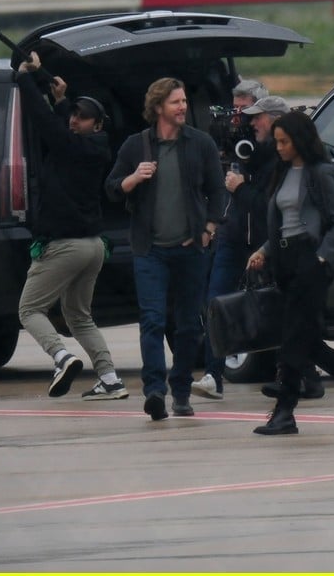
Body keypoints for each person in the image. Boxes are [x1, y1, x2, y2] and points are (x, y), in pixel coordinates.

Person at [245, 111, 334, 435]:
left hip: (311, 261)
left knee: (294, 335)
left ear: (300, 140)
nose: (278, 147)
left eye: (284, 141)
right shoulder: (281, 173)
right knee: (302, 338)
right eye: (276, 141)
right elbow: (283, 222)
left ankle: (284, 412)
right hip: (285, 259)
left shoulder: (320, 173)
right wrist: (264, 251)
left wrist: (321, 259)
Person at [107, 77, 226, 421]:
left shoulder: (200, 144)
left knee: (189, 325)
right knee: (152, 321)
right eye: (175, 102)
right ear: (158, 107)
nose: (183, 107)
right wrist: (133, 179)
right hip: (150, 250)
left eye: (185, 101)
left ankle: (182, 391)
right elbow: (112, 188)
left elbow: (218, 191)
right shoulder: (136, 146)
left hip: (190, 249)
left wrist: (209, 228)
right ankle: (155, 391)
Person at [14, 54, 127, 402]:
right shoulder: (92, 148)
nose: (74, 119)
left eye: (83, 117)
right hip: (93, 247)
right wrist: (60, 96)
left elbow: (44, 121)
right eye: (74, 114)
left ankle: (61, 357)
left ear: (97, 125)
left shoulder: (68, 145)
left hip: (64, 246)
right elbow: (61, 128)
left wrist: (25, 79)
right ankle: (110, 379)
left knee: (29, 310)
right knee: (79, 317)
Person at [192, 90, 286, 400]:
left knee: (276, 306)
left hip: (265, 241)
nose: (251, 122)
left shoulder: (283, 159)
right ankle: (212, 374)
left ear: (275, 122)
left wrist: (242, 186)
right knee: (216, 303)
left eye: (256, 117)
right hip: (232, 238)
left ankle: (294, 373)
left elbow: (269, 207)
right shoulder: (246, 148)